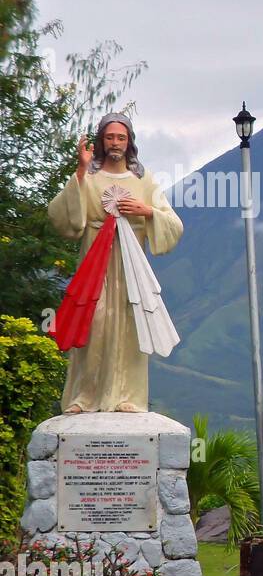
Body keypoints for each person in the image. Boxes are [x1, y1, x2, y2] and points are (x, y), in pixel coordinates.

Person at [47, 112, 183, 413]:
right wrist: (81, 173)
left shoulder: (143, 180)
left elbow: (173, 224)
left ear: (129, 141)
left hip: (130, 265)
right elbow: (64, 220)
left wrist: (146, 210)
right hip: (95, 264)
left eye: (121, 137)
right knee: (93, 322)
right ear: (101, 140)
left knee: (130, 326)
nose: (115, 142)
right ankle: (84, 396)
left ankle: (127, 397)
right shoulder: (89, 177)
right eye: (110, 137)